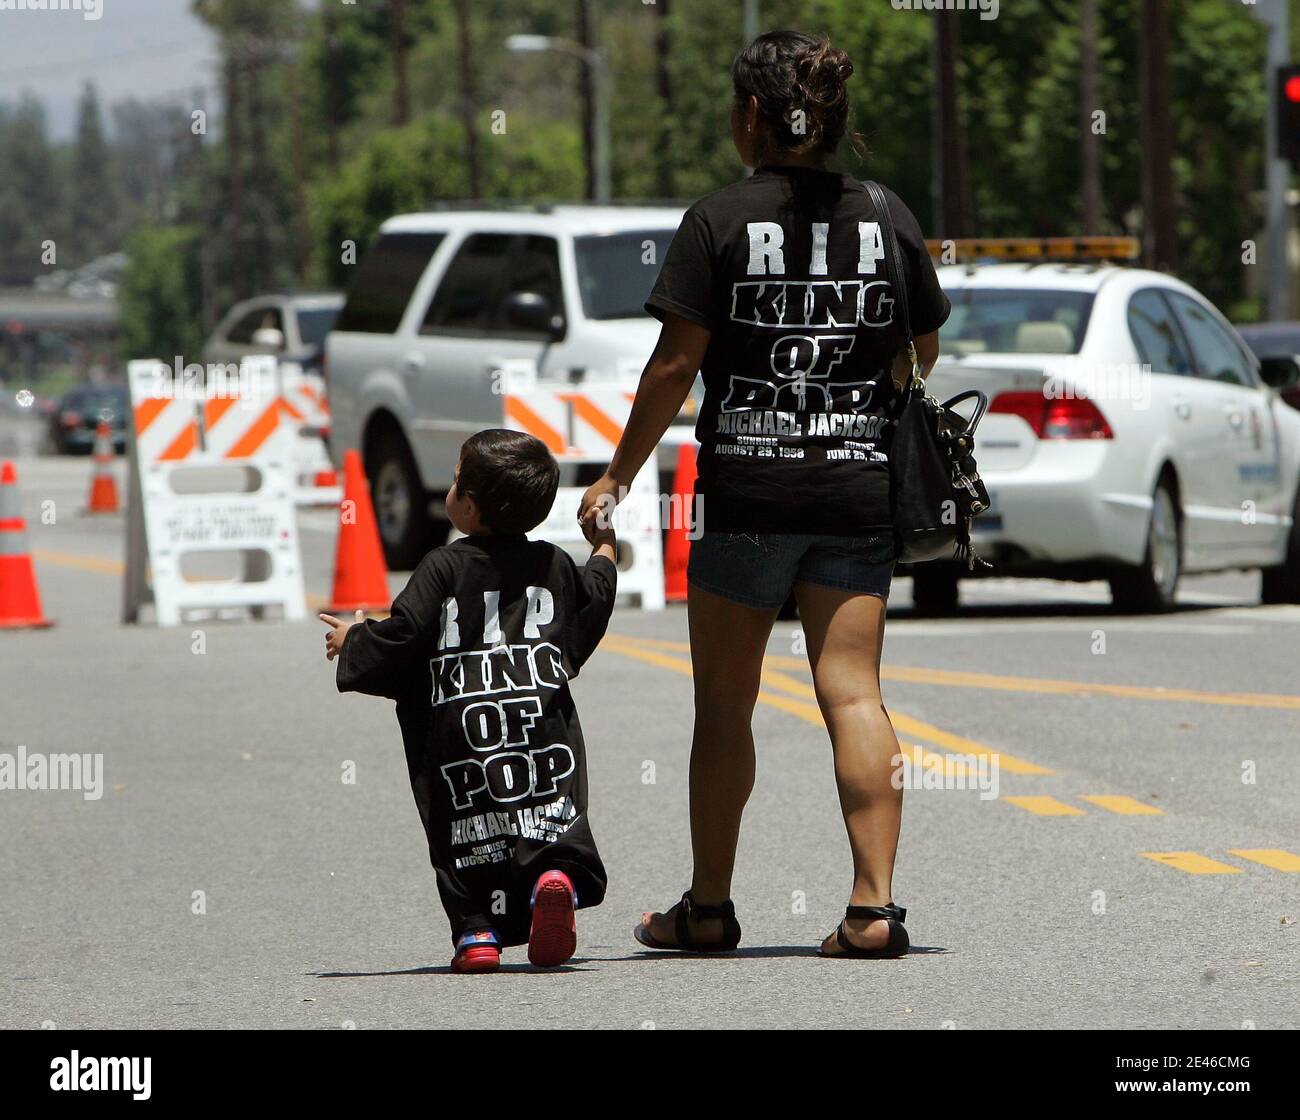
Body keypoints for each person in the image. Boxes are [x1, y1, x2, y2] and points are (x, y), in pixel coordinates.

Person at [579, 31, 950, 958]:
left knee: (724, 706)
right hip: (857, 492)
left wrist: (618, 474)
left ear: (752, 115)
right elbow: (922, 353)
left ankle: (707, 911)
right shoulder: (887, 213)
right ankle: (873, 910)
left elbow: (675, 366)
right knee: (854, 694)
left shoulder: (718, 220)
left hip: (746, 491)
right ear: (831, 120)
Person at [324, 429, 618, 973]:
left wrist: (355, 640)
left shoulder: (444, 565)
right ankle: (555, 878)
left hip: (460, 732)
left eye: (458, 480)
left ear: (472, 506)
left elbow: (408, 633)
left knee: (462, 826)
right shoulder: (553, 563)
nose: (452, 487)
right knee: (549, 810)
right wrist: (603, 543)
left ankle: (477, 932)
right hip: (539, 725)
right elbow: (594, 599)